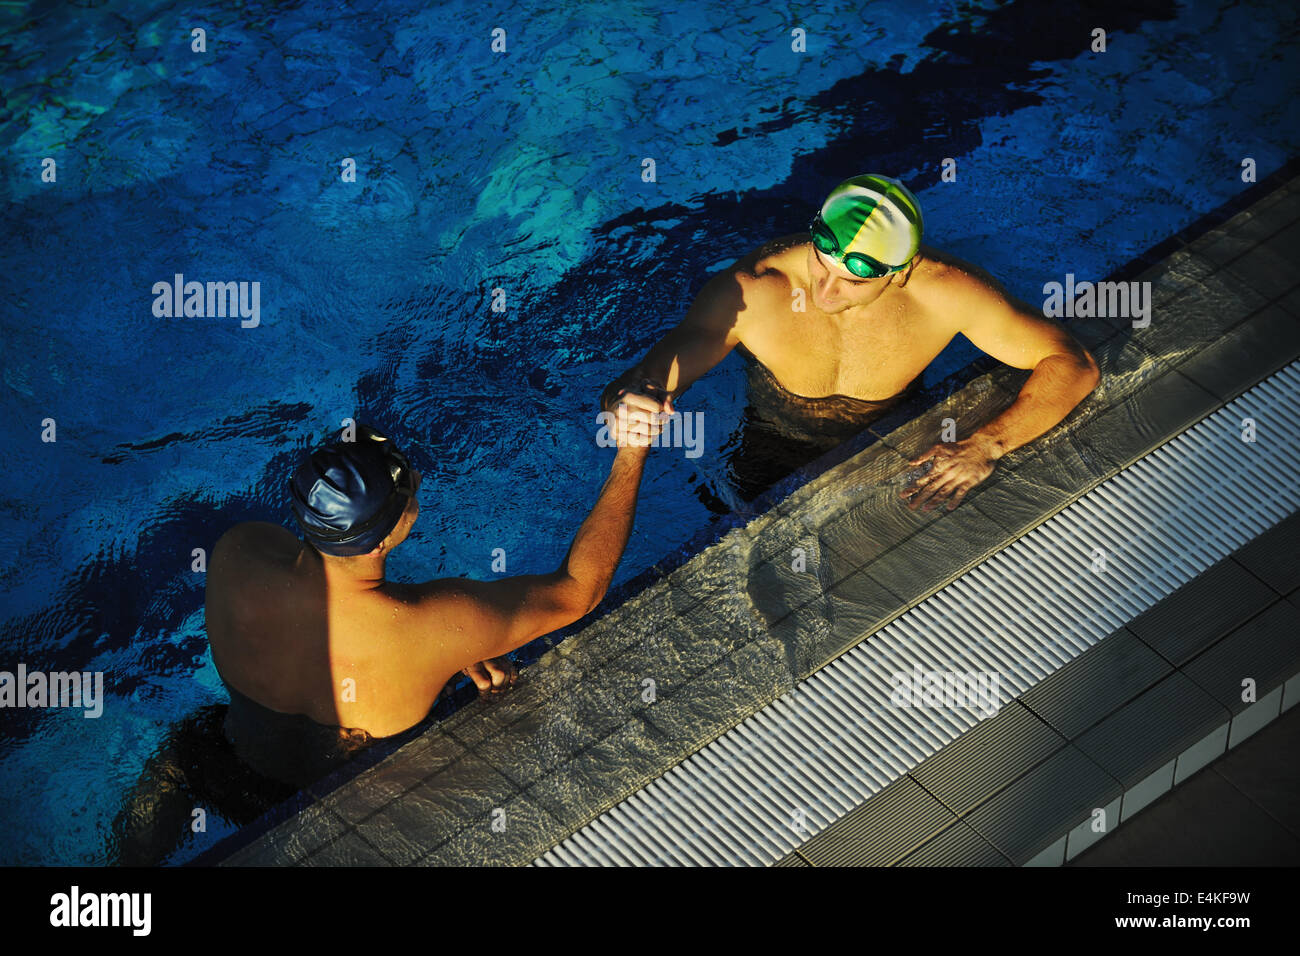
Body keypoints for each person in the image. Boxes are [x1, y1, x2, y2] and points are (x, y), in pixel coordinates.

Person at [203, 417, 656, 789]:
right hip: (363, 796)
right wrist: (631, 454)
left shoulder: (239, 551)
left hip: (221, 761)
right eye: (408, 489)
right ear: (381, 542)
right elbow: (579, 591)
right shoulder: (437, 624)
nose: (417, 479)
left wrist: (447, 648)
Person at [601, 173, 1100, 508]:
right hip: (768, 441)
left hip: (898, 443)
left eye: (853, 282)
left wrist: (986, 445)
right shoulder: (756, 289)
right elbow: (645, 379)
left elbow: (1072, 364)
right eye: (822, 261)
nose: (824, 291)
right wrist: (626, 401)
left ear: (899, 271)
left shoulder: (947, 293)